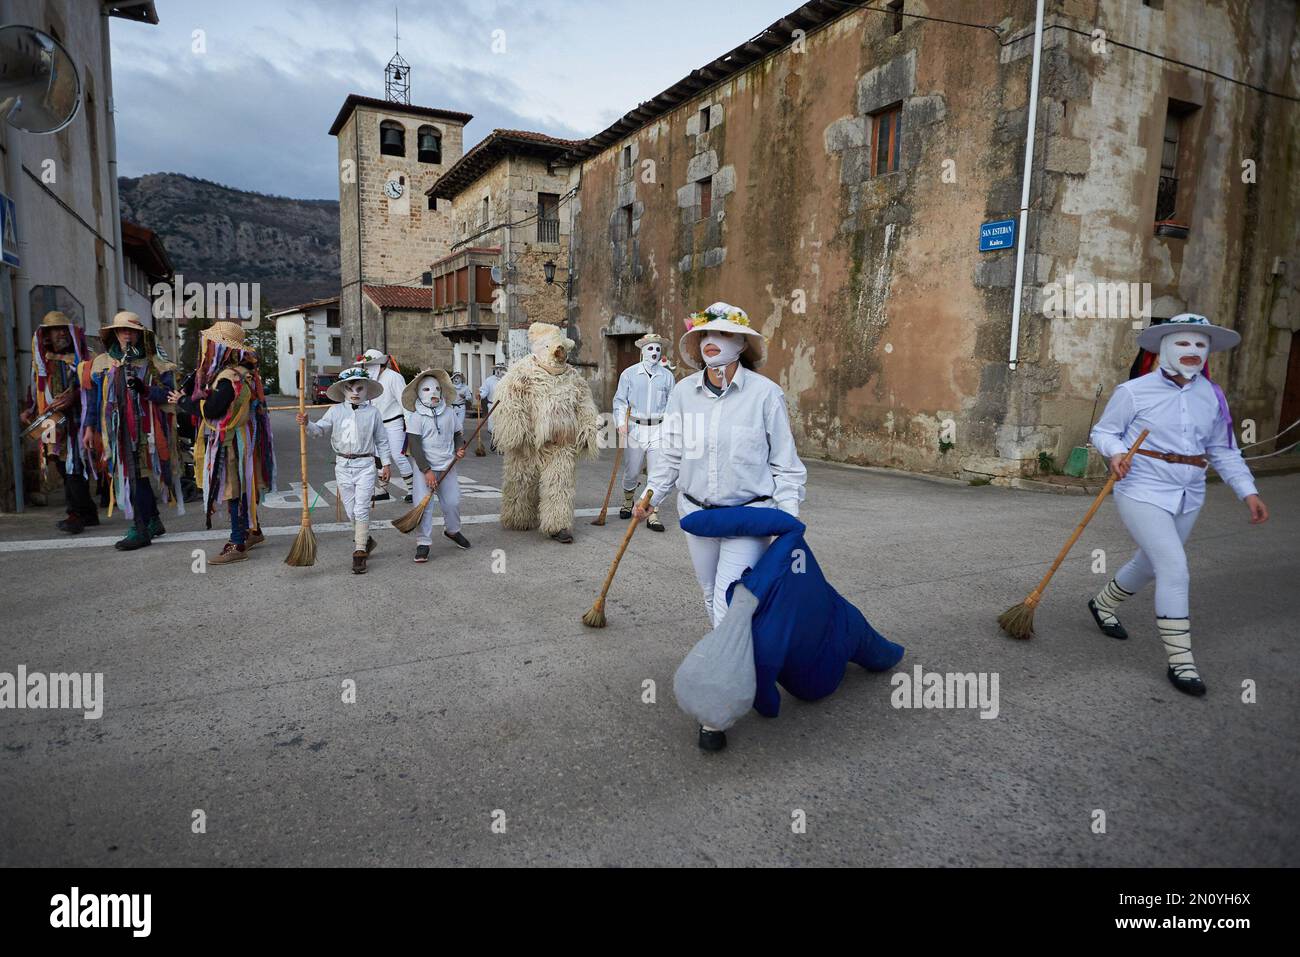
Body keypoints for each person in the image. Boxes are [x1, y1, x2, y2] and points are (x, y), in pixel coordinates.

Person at [1088, 313, 1269, 696]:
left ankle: (1102, 604)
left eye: (1200, 344)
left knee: (1150, 563)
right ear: (1166, 347)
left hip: (1190, 491)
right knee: (1174, 567)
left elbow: (1223, 449)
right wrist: (1117, 452)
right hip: (1141, 486)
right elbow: (1104, 431)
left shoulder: (1212, 396)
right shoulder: (1134, 391)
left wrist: (1247, 491)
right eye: (1183, 343)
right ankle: (1181, 662)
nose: (1192, 351)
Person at [633, 302, 807, 628]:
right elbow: (670, 454)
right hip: (697, 515)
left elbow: (786, 464)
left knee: (732, 600)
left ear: (742, 344)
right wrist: (651, 497)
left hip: (748, 517)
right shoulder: (684, 393)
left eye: (723, 333)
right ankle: (727, 660)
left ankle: (732, 673)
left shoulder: (766, 395)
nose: (711, 339)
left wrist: (788, 517)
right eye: (705, 333)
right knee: (710, 592)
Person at [171, 321, 275, 565]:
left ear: (221, 348)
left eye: (212, 344)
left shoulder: (229, 378)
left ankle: (237, 542)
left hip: (231, 443)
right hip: (242, 440)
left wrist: (184, 402)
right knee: (241, 486)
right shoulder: (242, 372)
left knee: (234, 490)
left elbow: (214, 410)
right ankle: (254, 531)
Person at [79, 310, 182, 551]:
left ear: (139, 335)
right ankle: (153, 521)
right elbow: (95, 400)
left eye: (132, 331)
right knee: (131, 474)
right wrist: (90, 428)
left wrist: (145, 389)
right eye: (122, 329)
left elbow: (169, 395)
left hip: (147, 429)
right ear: (114, 333)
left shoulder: (155, 362)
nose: (127, 334)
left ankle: (141, 527)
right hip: (115, 430)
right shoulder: (101, 364)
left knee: (138, 473)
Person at [494, 322, 601, 543]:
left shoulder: (572, 376)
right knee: (522, 480)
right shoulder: (522, 372)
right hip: (530, 441)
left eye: (562, 349)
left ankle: (558, 525)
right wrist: (517, 432)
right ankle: (519, 516)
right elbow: (509, 403)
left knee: (560, 484)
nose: (560, 354)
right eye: (554, 348)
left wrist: (587, 427)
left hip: (562, 442)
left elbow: (584, 402)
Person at [297, 367, 393, 574]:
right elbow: (319, 430)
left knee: (361, 508)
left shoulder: (374, 413)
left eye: (360, 388)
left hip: (366, 465)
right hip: (342, 466)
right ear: (342, 390)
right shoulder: (335, 411)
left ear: (367, 389)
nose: (355, 392)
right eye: (350, 388)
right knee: (351, 510)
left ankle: (359, 551)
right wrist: (307, 424)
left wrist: (386, 463)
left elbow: (382, 440)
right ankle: (365, 539)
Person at [20, 311, 97, 534]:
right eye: (56, 329)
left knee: (74, 467)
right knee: (63, 466)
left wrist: (74, 396)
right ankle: (88, 512)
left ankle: (76, 515)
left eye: (64, 328)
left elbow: (92, 387)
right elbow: (36, 386)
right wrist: (30, 408)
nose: (61, 332)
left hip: (77, 421)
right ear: (47, 334)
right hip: (52, 422)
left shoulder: (82, 358)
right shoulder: (41, 359)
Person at [401, 369, 471, 563]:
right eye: (427, 389)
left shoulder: (448, 412)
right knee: (423, 507)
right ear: (419, 392)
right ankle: (423, 542)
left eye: (437, 389)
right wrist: (426, 471)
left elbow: (458, 434)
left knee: (453, 502)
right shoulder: (417, 417)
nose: (432, 393)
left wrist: (459, 449)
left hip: (447, 465)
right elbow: (414, 446)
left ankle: (452, 530)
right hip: (425, 469)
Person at [612, 333, 674, 531]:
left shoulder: (667, 376)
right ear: (642, 351)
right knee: (632, 470)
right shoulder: (629, 374)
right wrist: (621, 423)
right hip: (635, 428)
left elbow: (672, 404)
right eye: (650, 348)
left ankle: (652, 512)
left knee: (657, 472)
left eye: (657, 348)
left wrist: (672, 429)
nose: (654, 352)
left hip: (659, 428)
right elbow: (620, 401)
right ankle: (628, 500)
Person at [358, 348, 410, 503]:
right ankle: (382, 489)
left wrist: (409, 423)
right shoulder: (370, 381)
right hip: (377, 425)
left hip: (394, 422)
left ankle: (413, 489)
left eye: (369, 366)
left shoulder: (393, 377)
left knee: (398, 456)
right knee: (379, 458)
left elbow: (404, 401)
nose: (366, 369)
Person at [479, 361, 506, 452]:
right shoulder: (489, 380)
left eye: (501, 369)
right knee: (491, 427)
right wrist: (480, 395)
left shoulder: (507, 379)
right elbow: (484, 391)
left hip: (504, 406)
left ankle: (500, 443)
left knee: (502, 425)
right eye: (497, 369)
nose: (499, 371)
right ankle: (495, 438)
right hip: (491, 405)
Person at [450, 370, 472, 438]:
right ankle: (452, 437)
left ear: (461, 379)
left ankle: (460, 438)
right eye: (454, 378)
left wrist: (464, 397)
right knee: (452, 423)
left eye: (457, 378)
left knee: (460, 424)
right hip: (452, 407)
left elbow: (469, 397)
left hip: (461, 407)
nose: (456, 379)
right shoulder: (450, 387)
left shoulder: (465, 387)